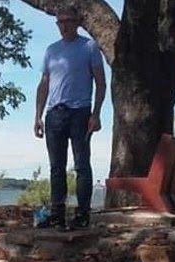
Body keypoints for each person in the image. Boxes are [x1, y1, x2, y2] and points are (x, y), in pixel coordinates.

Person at [34, 6, 107, 231]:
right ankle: (57, 214)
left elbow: (101, 83)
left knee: (81, 165)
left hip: (80, 112)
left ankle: (82, 213)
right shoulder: (51, 50)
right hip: (54, 113)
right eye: (60, 22)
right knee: (56, 167)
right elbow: (44, 84)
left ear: (77, 22)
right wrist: (37, 116)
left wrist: (96, 114)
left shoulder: (89, 47)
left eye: (68, 21)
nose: (64, 26)